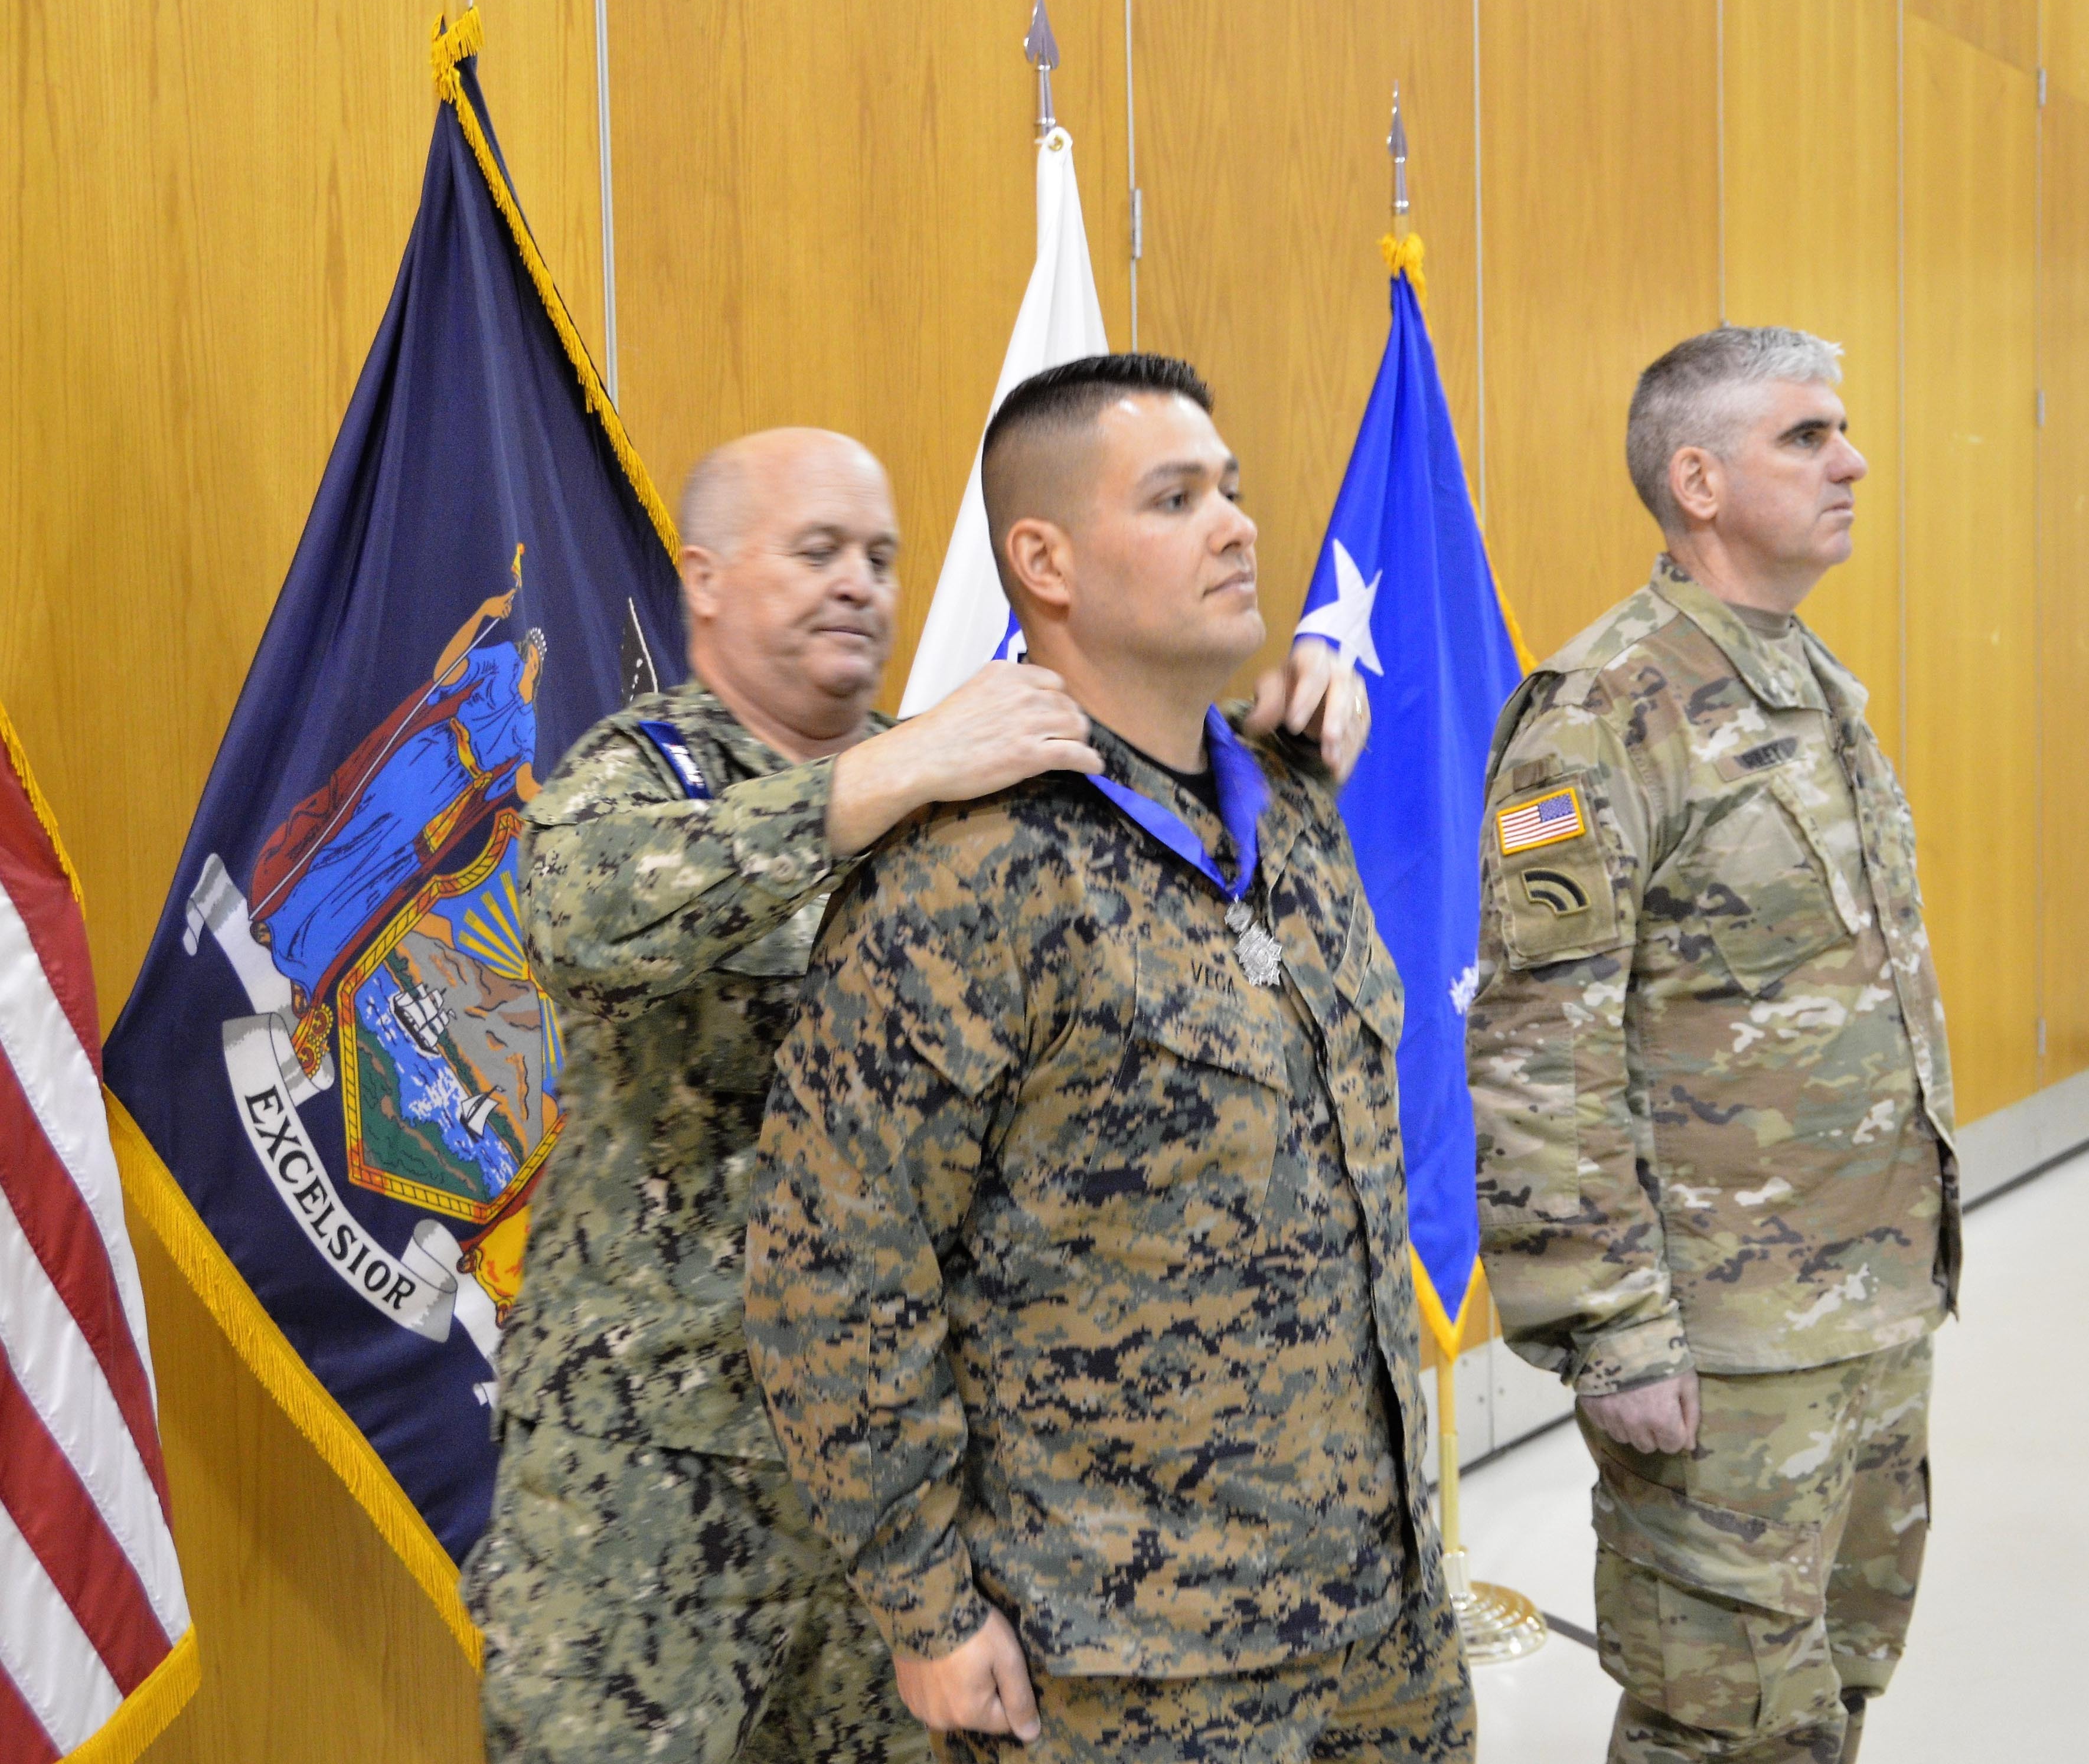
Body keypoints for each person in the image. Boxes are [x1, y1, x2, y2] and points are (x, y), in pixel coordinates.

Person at [462, 424, 1360, 1764]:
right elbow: (585, 916)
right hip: (648, 1490)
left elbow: (1139, 868)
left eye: (880, 557)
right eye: (814, 550)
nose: (859, 586)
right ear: (702, 579)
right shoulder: (650, 772)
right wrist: (886, 775)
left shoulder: (955, 785)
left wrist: (1264, 744)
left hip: (900, 1493)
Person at [743, 356, 1474, 1764]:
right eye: (1177, 496)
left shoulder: (1288, 808)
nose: (1237, 525)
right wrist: (925, 1611)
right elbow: (832, 1262)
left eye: (1234, 490)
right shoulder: (970, 874)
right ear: (1045, 559)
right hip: (1127, 1667)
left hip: (1376, 1615)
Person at [1467, 328, 1959, 1764]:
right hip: (1723, 1340)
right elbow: (1536, 1044)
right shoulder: (1601, 714)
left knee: (1828, 1690)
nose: (1850, 460)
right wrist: (1608, 1328)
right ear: (1696, 479)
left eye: (1841, 430)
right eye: (1806, 436)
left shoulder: (1809, 684)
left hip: (1865, 1310)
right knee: (1717, 1723)